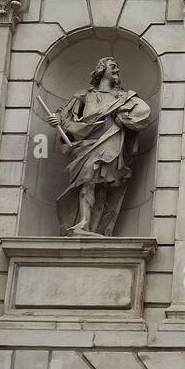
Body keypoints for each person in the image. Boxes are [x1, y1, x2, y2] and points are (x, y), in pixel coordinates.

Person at [46, 57, 151, 236]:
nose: (117, 70)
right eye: (113, 66)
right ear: (101, 70)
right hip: (86, 144)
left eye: (117, 67)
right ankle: (83, 223)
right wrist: (57, 120)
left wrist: (122, 118)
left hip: (112, 140)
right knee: (88, 178)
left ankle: (94, 229)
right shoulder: (84, 95)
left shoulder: (124, 98)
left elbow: (144, 116)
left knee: (102, 185)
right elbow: (63, 116)